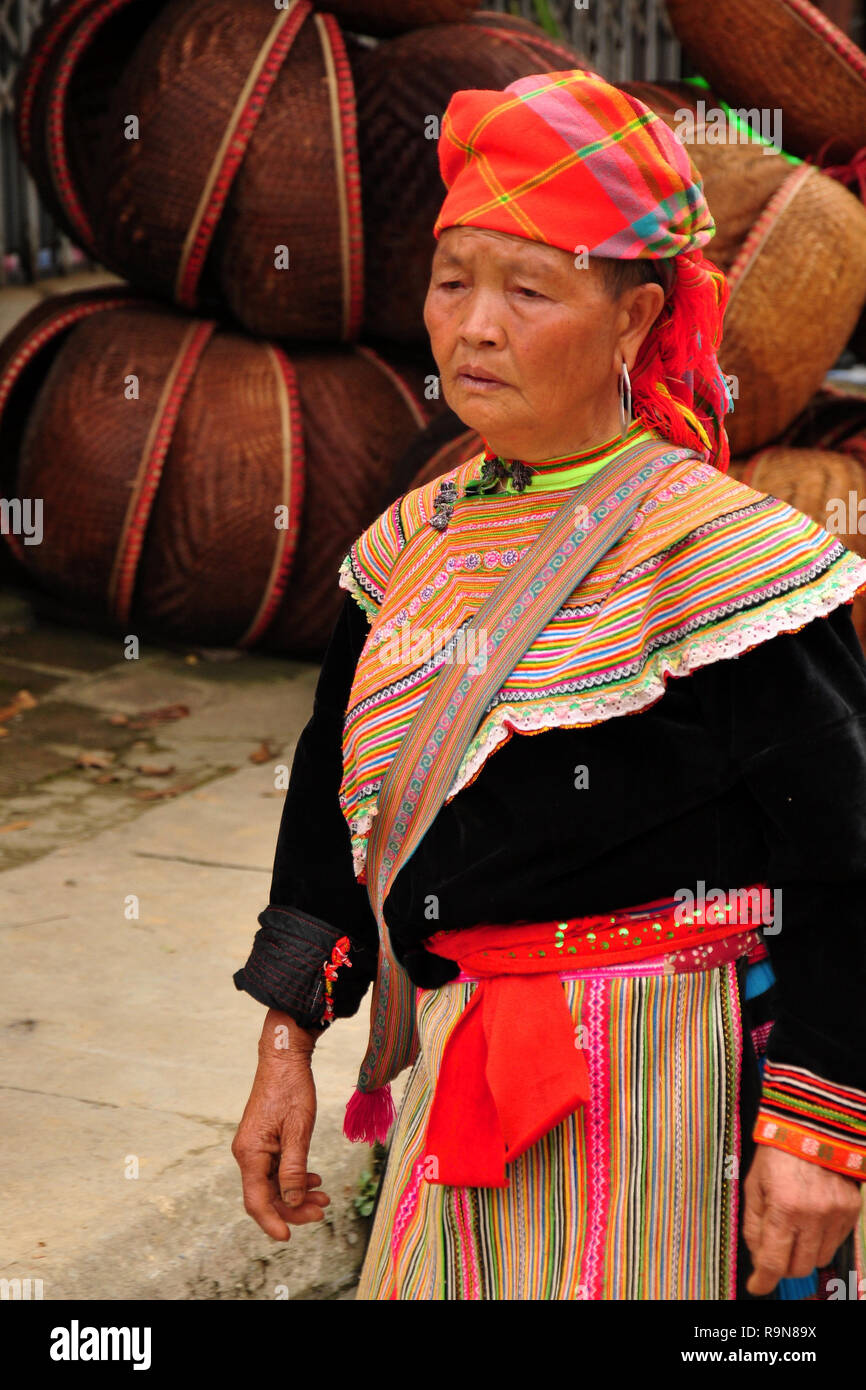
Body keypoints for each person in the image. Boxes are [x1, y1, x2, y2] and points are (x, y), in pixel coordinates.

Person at [231, 70, 866, 1300]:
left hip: (662, 1093)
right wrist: (286, 1038)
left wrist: (816, 1128)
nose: (474, 326)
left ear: (632, 321)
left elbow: (850, 856)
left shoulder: (722, 563)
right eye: (452, 280)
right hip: (459, 1081)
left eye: (527, 290)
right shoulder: (406, 548)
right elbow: (328, 826)